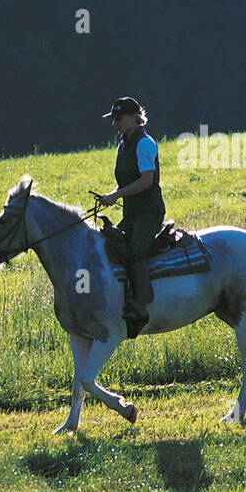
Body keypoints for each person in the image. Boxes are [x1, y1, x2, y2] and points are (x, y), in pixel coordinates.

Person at [94, 97, 165, 338]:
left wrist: (117, 195)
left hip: (149, 213)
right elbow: (125, 182)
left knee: (135, 250)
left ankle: (141, 304)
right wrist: (109, 196)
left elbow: (146, 181)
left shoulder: (145, 144)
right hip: (132, 213)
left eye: (120, 119)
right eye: (113, 120)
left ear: (136, 118)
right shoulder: (123, 144)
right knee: (110, 245)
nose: (116, 124)